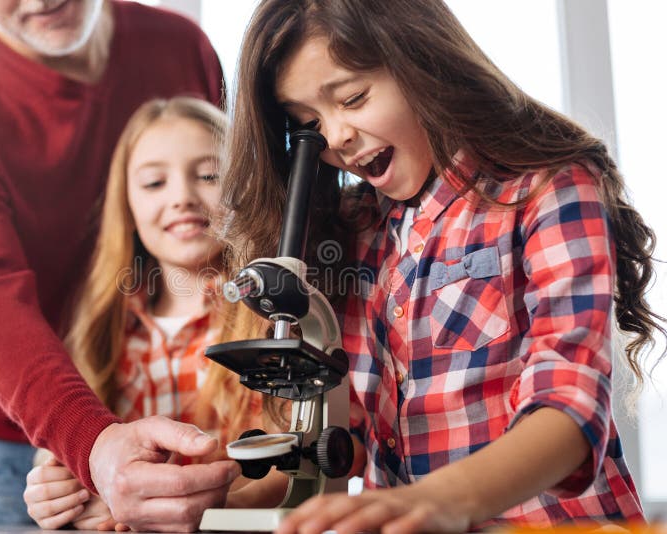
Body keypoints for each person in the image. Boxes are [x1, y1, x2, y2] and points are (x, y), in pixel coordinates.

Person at [218, 0, 667, 532]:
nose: (336, 137)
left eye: (354, 98)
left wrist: (439, 501)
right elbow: (350, 434)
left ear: (420, 63)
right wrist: (233, 495)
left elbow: (569, 411)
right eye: (310, 123)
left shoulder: (548, 188)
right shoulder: (354, 227)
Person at [0, 0, 239, 529]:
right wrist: (92, 445)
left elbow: (248, 200)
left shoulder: (181, 48)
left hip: (165, 415)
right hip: (5, 441)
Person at [22, 97, 288, 530]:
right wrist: (55, 492)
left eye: (208, 175)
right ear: (126, 207)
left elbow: (291, 466)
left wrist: (218, 513)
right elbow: (63, 457)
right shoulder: (104, 330)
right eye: (153, 183)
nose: (182, 197)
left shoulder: (270, 318)